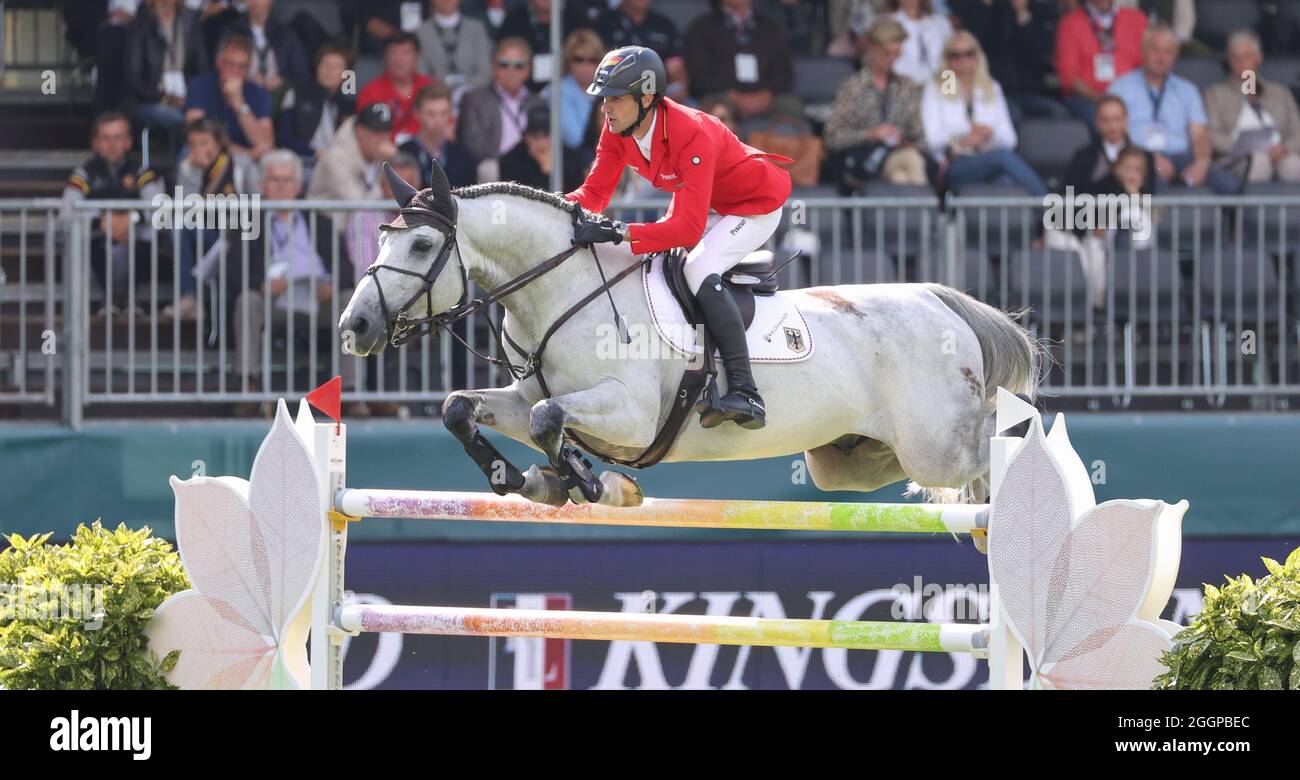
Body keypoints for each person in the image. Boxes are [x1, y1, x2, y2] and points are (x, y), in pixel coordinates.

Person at [564, 46, 794, 430]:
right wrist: (553, 208)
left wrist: (620, 232)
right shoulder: (617, 128)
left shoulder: (693, 132)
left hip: (755, 205)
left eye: (615, 98)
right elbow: (595, 194)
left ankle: (745, 390)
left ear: (647, 98)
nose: (606, 108)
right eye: (604, 99)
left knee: (699, 267)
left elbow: (688, 229)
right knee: (655, 266)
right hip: (709, 202)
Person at [228, 150, 357, 415]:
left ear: (298, 186)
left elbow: (346, 268)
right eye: (274, 180)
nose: (281, 187)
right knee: (248, 301)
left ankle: (350, 393)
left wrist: (331, 285)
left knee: (348, 302)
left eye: (287, 181)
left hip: (319, 299)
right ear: (262, 185)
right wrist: (261, 285)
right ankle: (247, 385)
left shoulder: (320, 222)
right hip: (273, 299)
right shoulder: (249, 225)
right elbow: (234, 273)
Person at [1106, 23, 1237, 193]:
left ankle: (1230, 221)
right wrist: (1150, 158)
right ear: (1143, 51)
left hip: (1182, 157)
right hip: (1140, 158)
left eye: (1168, 52)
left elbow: (1200, 134)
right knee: (1156, 180)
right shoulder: (1120, 88)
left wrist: (1201, 164)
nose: (1161, 58)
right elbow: (1114, 133)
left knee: (1228, 183)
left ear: (1176, 56)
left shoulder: (1187, 90)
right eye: (1156, 50)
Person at [62, 112, 165, 317]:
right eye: (106, 138)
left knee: (150, 232)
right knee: (84, 233)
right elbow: (67, 212)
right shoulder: (83, 173)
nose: (112, 144)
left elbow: (159, 208)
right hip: (99, 249)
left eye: (118, 138)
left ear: (128, 142)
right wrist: (99, 222)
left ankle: (131, 296)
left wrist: (131, 220)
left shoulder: (141, 172)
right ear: (95, 143)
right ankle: (108, 296)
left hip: (133, 245)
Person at [920, 31, 1048, 195]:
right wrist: (966, 131)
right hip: (954, 164)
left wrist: (987, 134)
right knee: (1004, 159)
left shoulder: (991, 87)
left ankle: (1038, 220)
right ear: (947, 59)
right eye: (956, 55)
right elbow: (931, 140)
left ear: (977, 56)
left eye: (968, 54)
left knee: (1006, 181)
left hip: (988, 158)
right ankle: (1055, 212)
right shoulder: (937, 88)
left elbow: (1010, 140)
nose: (963, 60)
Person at [823, 16, 929, 190]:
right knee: (912, 160)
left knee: (901, 177)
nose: (892, 59)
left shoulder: (906, 86)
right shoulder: (854, 86)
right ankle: (926, 215)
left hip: (897, 157)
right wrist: (871, 134)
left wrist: (900, 139)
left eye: (896, 54)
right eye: (887, 53)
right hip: (863, 161)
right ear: (872, 49)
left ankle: (911, 216)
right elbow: (833, 136)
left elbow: (920, 137)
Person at [165, 117, 240, 321]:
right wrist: (196, 174)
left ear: (219, 143)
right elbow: (187, 211)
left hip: (241, 238)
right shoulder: (187, 168)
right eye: (192, 144)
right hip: (210, 236)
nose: (199, 149)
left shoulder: (239, 165)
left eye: (204, 143)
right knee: (179, 226)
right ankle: (188, 298)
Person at [1203, 29, 1300, 185]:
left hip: (1280, 153)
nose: (1241, 62)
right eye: (1235, 57)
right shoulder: (1214, 94)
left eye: (1246, 56)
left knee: (1293, 164)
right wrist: (1243, 148)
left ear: (1258, 58)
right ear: (1229, 60)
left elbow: (1297, 132)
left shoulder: (1281, 93)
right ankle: (1252, 211)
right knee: (1259, 161)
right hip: (1235, 158)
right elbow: (1212, 135)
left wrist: (1284, 148)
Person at [684, 0, 801, 124]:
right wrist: (732, 96)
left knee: (791, 107)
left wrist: (767, 95)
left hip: (766, 97)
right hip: (722, 96)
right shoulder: (702, 27)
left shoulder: (771, 27)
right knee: (719, 110)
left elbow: (785, 72)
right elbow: (698, 75)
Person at [951, 0, 1066, 124]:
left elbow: (1039, 54)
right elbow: (975, 45)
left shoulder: (1037, 10)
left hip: (1034, 91)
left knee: (1058, 113)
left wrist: (1023, 15)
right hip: (999, 92)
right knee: (1014, 116)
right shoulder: (987, 9)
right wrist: (986, 6)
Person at [184, 32, 275, 163]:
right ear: (218, 62)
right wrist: (242, 153)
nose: (235, 71)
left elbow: (265, 142)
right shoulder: (200, 84)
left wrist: (239, 103)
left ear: (249, 68)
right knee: (193, 154)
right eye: (229, 64)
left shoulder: (259, 93)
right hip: (208, 154)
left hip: (249, 160)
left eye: (241, 67)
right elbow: (196, 132)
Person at [122, 0, 208, 137]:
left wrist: (190, 97)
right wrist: (163, 98)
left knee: (199, 116)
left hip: (186, 97)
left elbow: (202, 67)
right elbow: (133, 78)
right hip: (149, 100)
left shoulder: (190, 21)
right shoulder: (140, 23)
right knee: (180, 119)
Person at [456, 38, 547, 165]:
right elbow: (472, 147)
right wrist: (507, 164)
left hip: (530, 166)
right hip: (493, 168)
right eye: (504, 64)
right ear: (494, 67)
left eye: (518, 65)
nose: (511, 71)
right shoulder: (474, 99)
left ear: (527, 70)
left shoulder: (538, 102)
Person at [1055, 0, 1147, 124]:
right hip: (1087, 98)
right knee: (1108, 121)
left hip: (1129, 97)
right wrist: (1100, 98)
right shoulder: (1070, 23)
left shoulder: (1137, 19)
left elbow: (1146, 65)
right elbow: (1068, 76)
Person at [277, 44, 358, 172]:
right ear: (317, 67)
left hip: (336, 164)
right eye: (325, 64)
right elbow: (283, 137)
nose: (329, 70)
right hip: (300, 160)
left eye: (337, 66)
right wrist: (314, 152)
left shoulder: (349, 106)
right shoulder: (297, 93)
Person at [496, 0, 603, 91]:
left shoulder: (577, 16)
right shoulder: (514, 20)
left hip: (570, 91)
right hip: (524, 93)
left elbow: (593, 51)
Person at [1063, 94, 1155, 195]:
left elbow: (1151, 196)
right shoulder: (1083, 157)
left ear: (1126, 120)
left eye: (1117, 119)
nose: (1113, 126)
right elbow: (1069, 196)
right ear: (1097, 122)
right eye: (1106, 120)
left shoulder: (1146, 157)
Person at [596, 0, 688, 100]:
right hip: (617, 94)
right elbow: (597, 69)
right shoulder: (604, 23)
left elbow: (676, 70)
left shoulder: (664, 25)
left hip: (660, 96)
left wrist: (676, 93)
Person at [541, 29, 606, 171]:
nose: (586, 66)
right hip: (573, 165)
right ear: (568, 61)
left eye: (593, 60)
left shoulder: (610, 89)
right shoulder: (556, 91)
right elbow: (574, 138)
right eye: (579, 59)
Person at [307, 103, 399, 202]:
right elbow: (356, 203)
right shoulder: (337, 157)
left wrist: (393, 162)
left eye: (386, 131)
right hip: (328, 216)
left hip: (364, 215)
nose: (382, 138)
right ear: (359, 129)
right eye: (376, 131)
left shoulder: (383, 156)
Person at [356, 32, 435, 143]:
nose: (399, 60)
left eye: (406, 53)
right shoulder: (370, 92)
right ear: (385, 58)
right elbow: (366, 137)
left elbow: (447, 129)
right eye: (393, 53)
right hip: (386, 154)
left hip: (428, 151)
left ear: (417, 57)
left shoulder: (432, 87)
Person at [225, 0, 310, 102]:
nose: (257, 2)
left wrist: (282, 82)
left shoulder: (287, 35)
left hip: (280, 102)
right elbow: (221, 69)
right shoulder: (232, 32)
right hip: (240, 97)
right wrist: (245, 79)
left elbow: (303, 76)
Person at [399, 84, 478, 188]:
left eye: (443, 113)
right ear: (417, 113)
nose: (438, 121)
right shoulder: (403, 152)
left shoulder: (463, 156)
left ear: (450, 114)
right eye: (431, 114)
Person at [415, 0, 493, 98]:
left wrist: (463, 90)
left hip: (474, 96)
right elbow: (421, 74)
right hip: (434, 97)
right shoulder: (421, 32)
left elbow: (485, 73)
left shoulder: (477, 29)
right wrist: (442, 88)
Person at [499, 106, 585, 190]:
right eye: (535, 136)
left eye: (546, 135)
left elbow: (574, 196)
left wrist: (550, 171)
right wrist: (545, 170)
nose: (541, 142)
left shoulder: (572, 159)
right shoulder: (511, 161)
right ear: (525, 136)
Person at [888, 0, 953, 85]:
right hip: (904, 88)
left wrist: (949, 91)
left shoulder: (941, 23)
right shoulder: (888, 22)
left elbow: (951, 59)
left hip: (940, 87)